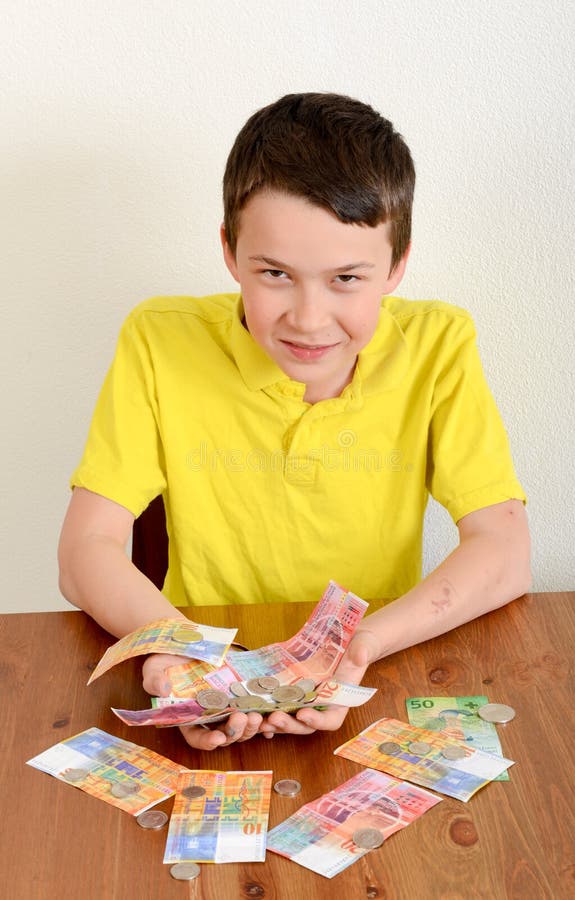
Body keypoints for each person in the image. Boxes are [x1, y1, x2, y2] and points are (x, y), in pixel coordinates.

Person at [58, 92, 530, 751]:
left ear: (396, 265)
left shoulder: (440, 345)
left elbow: (505, 552)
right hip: (199, 664)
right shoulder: (158, 340)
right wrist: (175, 651)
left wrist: (363, 649)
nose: (308, 319)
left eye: (346, 279)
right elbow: (85, 549)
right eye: (275, 274)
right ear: (229, 252)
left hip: (378, 672)